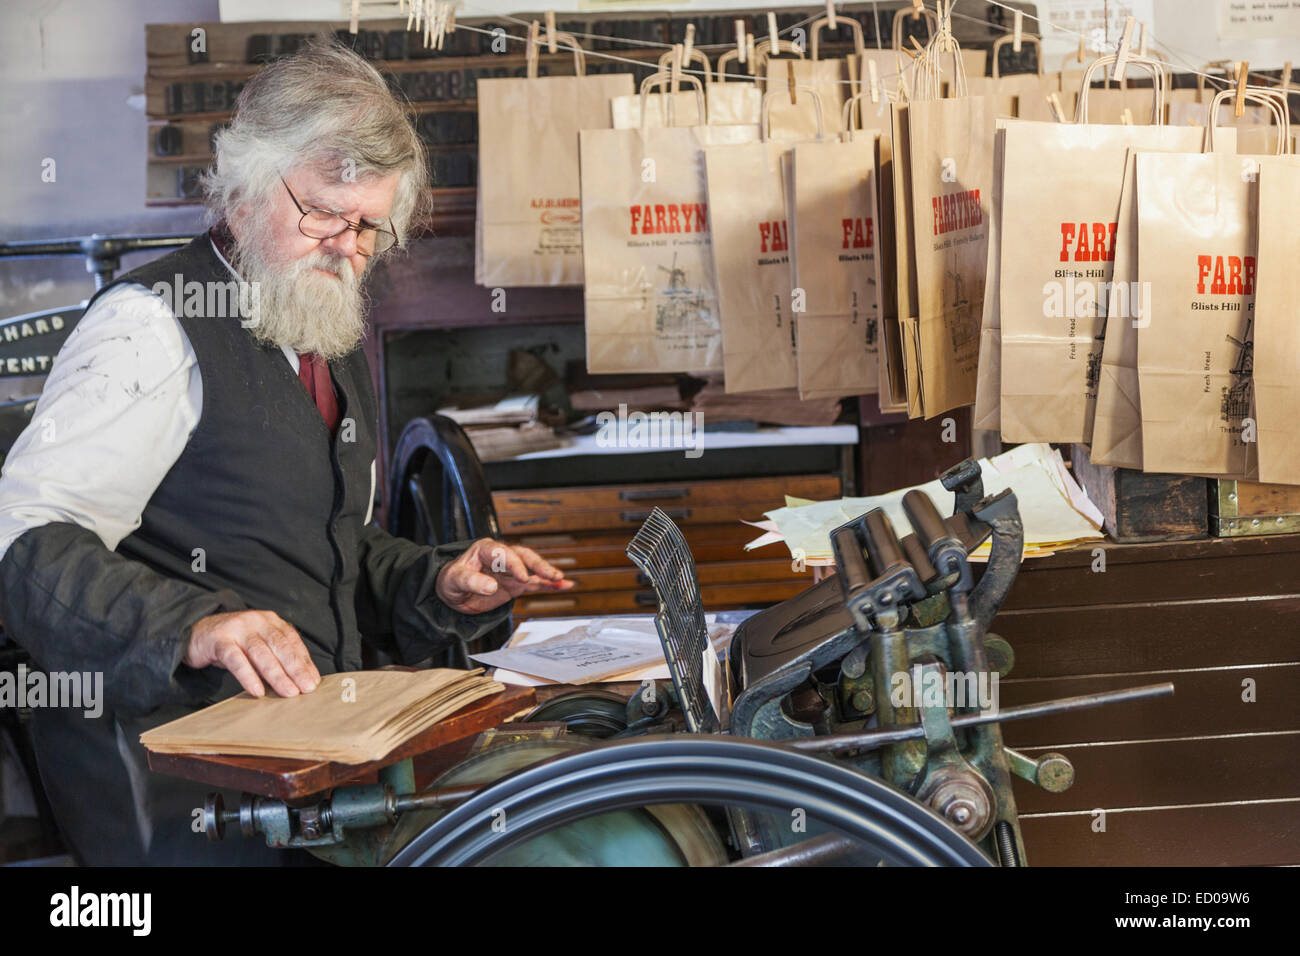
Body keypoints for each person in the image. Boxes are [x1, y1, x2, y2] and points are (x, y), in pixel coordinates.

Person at [0, 41, 572, 865]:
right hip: (186, 793)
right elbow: (23, 540)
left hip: (315, 771)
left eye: (369, 224)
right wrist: (191, 628)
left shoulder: (318, 322)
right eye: (321, 213)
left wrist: (437, 582)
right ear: (243, 184)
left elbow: (320, 551)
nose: (345, 245)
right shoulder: (148, 328)